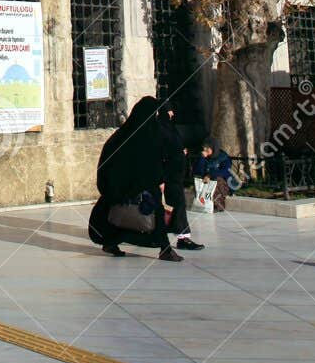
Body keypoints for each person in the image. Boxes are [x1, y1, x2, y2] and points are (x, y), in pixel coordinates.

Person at [88, 95, 183, 263]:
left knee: (116, 216)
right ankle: (165, 249)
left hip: (120, 187)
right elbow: (159, 160)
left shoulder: (121, 134)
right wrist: (160, 180)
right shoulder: (151, 135)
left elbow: (106, 161)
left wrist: (110, 185)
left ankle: (110, 242)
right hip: (145, 186)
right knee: (155, 218)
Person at [157, 98, 205, 252]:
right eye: (169, 112)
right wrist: (161, 179)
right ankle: (183, 238)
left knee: (175, 207)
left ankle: (177, 236)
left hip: (175, 177)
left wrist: (181, 151)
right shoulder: (161, 129)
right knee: (176, 206)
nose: (171, 114)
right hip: (169, 177)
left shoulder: (169, 128)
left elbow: (174, 146)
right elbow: (161, 154)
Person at [195, 142, 235, 210]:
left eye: (207, 147)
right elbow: (198, 171)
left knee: (217, 179)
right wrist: (202, 158)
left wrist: (210, 175)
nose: (205, 149)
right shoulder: (205, 157)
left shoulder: (223, 157)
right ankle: (205, 205)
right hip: (207, 181)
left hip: (225, 183)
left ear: (213, 148)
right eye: (204, 148)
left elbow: (224, 172)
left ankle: (218, 206)